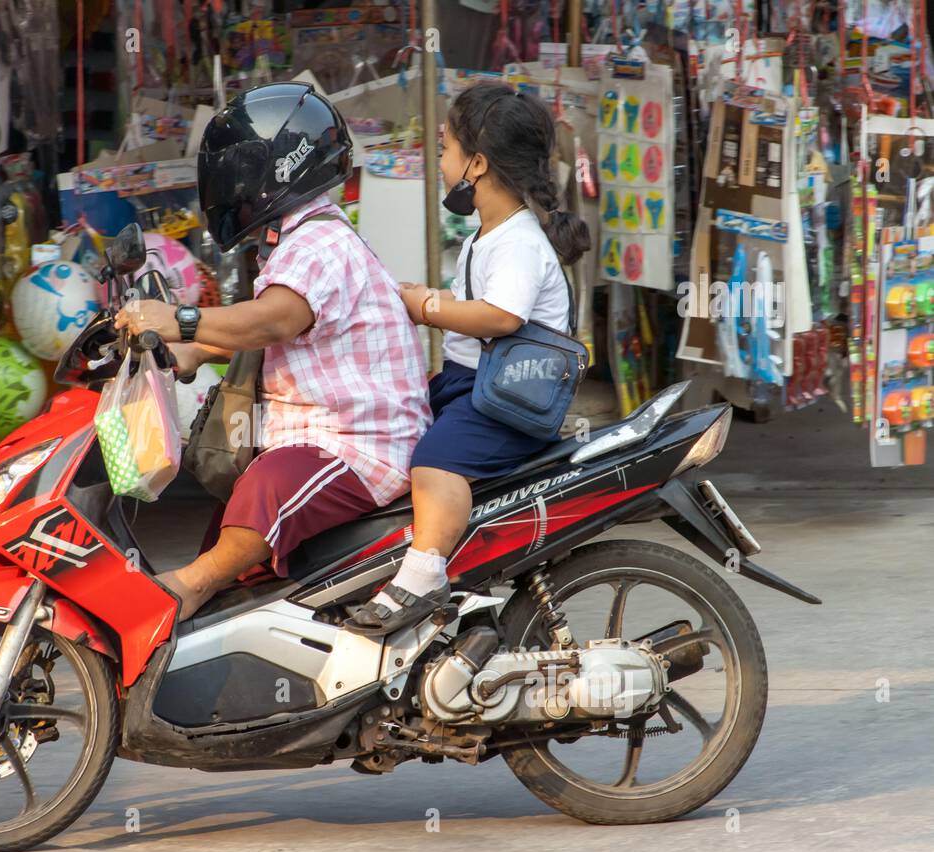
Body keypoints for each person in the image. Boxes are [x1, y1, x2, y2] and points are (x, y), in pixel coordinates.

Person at [114, 82, 431, 622]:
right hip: (319, 431)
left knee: (268, 485)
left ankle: (191, 586)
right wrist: (188, 350)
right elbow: (274, 334)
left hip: (358, 444)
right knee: (234, 502)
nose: (230, 188)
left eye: (240, 173)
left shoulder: (319, 244)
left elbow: (273, 320)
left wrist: (182, 320)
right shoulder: (299, 240)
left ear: (277, 171)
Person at [345, 84, 591, 636]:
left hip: (505, 400)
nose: (440, 161)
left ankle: (424, 573)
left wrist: (429, 307)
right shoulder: (490, 234)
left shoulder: (519, 241)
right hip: (472, 385)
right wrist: (426, 295)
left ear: (476, 164)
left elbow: (501, 316)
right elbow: (480, 304)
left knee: (433, 463)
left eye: (445, 148)